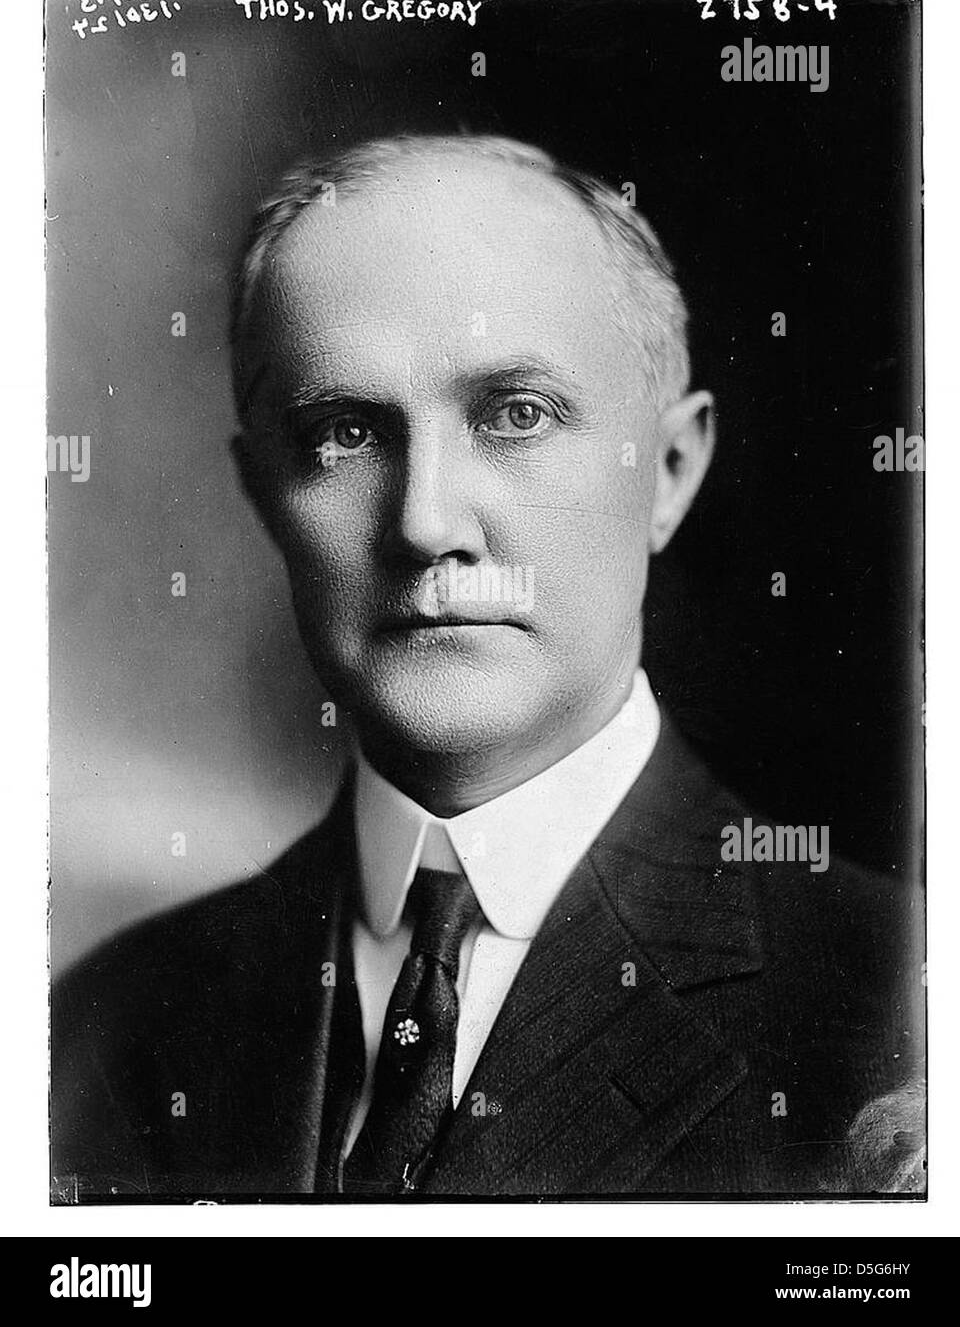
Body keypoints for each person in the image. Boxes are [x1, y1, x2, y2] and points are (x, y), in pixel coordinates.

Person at [51, 133, 920, 1199]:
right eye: (344, 432)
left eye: (518, 414)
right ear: (262, 489)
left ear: (672, 471)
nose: (425, 524)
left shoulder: (902, 1005)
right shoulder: (94, 1034)